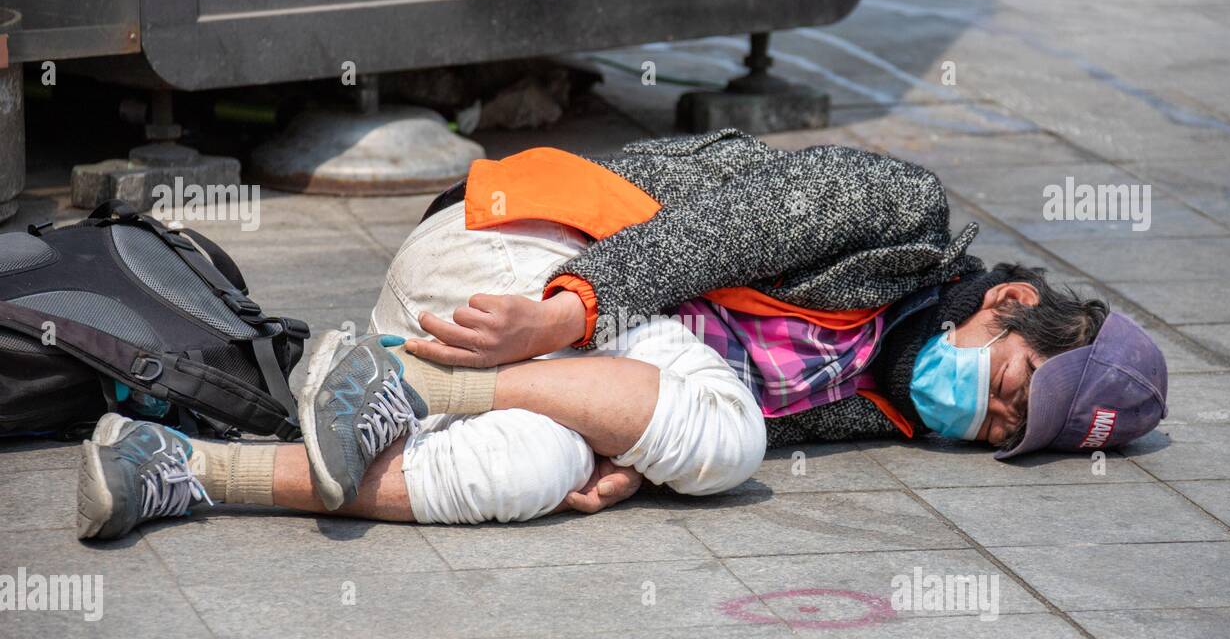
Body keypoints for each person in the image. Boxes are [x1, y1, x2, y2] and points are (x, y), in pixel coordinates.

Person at [76, 129, 1168, 540]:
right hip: (511, 261)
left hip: (524, 348)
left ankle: (177, 467)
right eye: (1017, 381)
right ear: (1011, 301)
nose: (989, 415)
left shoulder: (866, 400)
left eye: (1010, 430)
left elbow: (639, 396)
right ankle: (403, 383)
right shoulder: (899, 211)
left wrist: (618, 457)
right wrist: (563, 313)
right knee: (730, 444)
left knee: (540, 468)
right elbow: (721, 227)